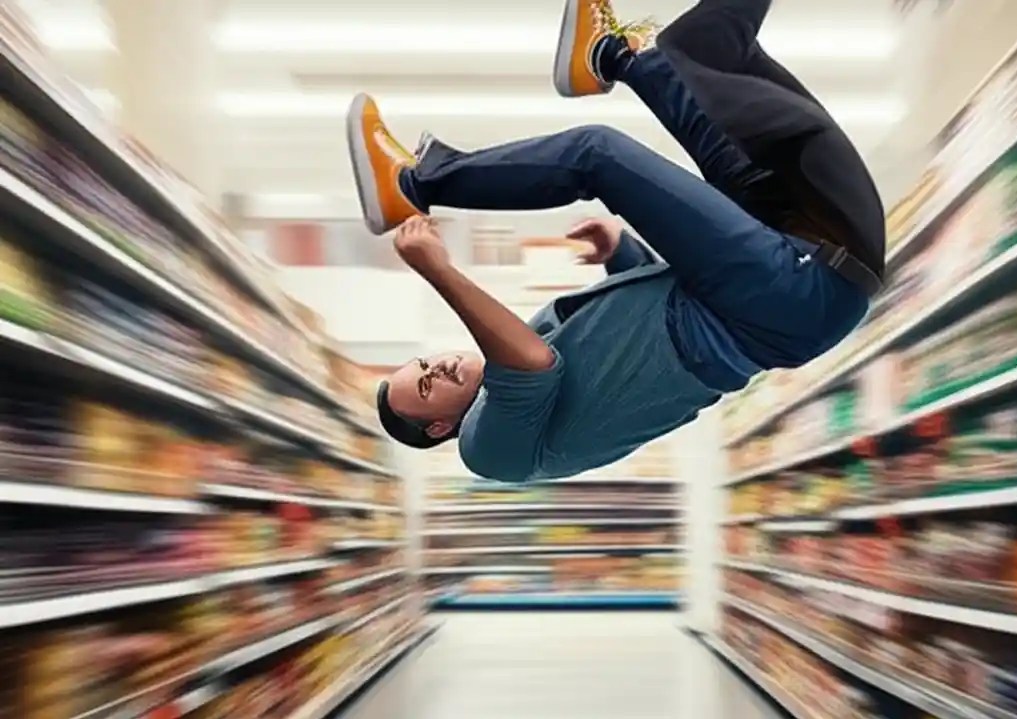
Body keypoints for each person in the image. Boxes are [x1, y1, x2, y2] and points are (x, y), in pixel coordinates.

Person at [348, 0, 884, 482]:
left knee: (705, 55)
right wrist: (439, 269)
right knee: (595, 153)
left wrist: (618, 256)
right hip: (779, 306)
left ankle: (616, 56)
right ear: (440, 427)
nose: (435, 368)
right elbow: (535, 365)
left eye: (423, 365)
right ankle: (414, 185)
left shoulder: (509, 393)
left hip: (774, 279)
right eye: (426, 387)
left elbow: (629, 346)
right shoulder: (487, 450)